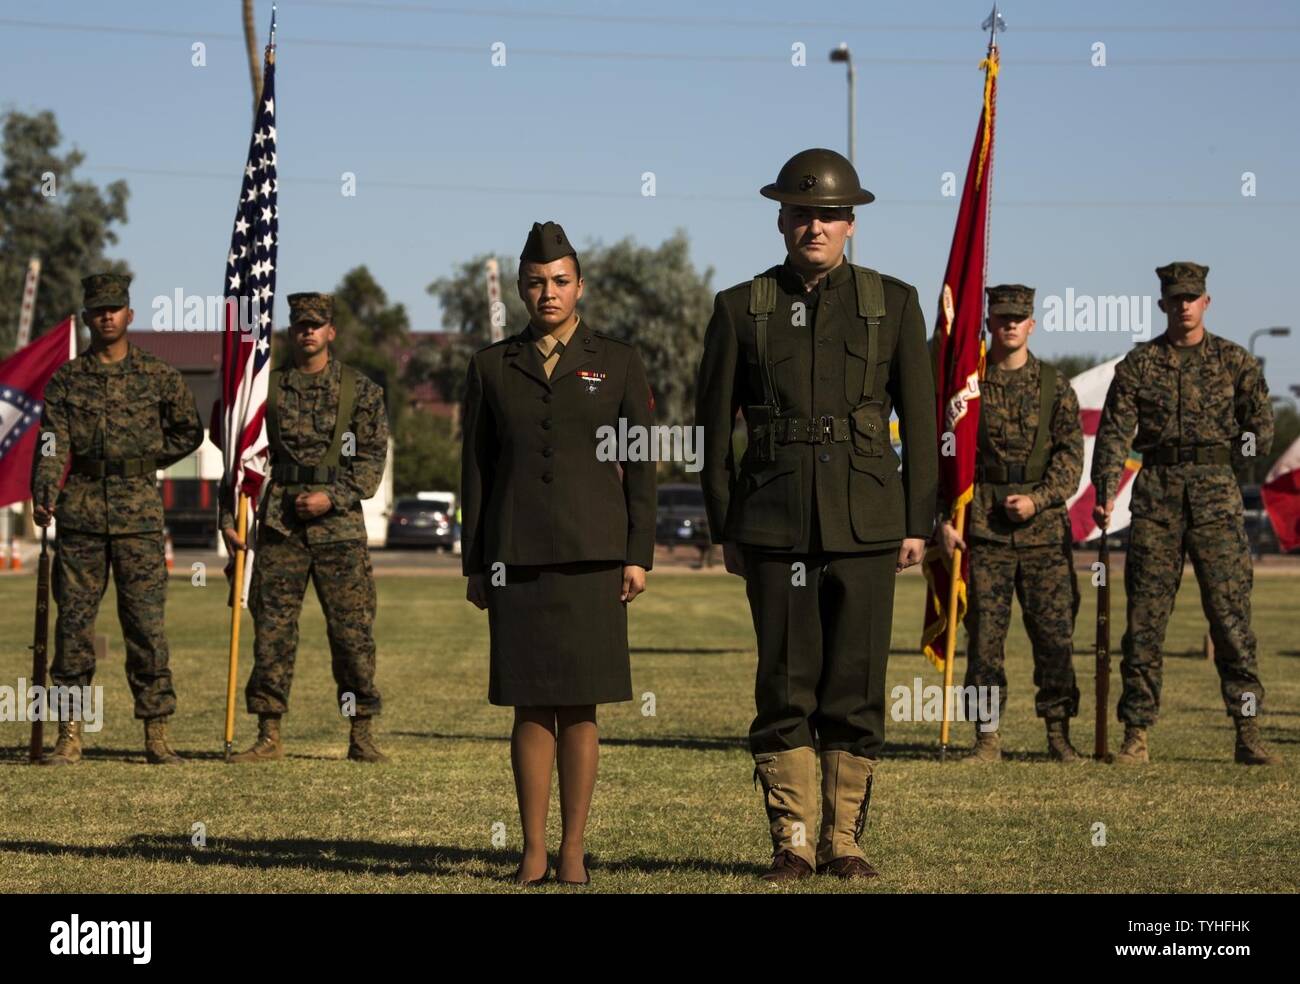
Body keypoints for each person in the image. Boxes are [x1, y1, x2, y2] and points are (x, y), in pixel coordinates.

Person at [695, 149, 938, 881]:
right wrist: (723, 525)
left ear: (851, 224)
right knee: (785, 683)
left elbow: (922, 426)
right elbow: (711, 429)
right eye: (802, 213)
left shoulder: (893, 303)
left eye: (829, 215)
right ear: (780, 220)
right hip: (772, 524)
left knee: (856, 684)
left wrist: (917, 520)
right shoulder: (741, 308)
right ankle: (793, 840)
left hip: (867, 522)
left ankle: (845, 841)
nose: (815, 226)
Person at [460, 221, 656, 886]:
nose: (549, 292)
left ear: (580, 286)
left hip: (593, 555)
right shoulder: (490, 367)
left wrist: (639, 553)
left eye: (561, 281)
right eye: (538, 282)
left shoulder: (621, 361)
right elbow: (477, 470)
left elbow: (642, 465)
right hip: (514, 556)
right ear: (521, 287)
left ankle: (573, 849)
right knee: (527, 702)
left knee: (580, 704)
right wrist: (474, 562)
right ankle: (533, 849)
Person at [1092, 262, 1280, 766]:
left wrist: (1230, 456)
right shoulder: (1140, 365)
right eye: (1175, 298)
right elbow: (1114, 432)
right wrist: (1106, 488)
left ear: (1206, 302)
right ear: (1163, 304)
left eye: (1191, 297)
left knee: (1231, 618)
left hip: (1217, 499)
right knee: (1146, 620)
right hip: (1156, 497)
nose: (1183, 306)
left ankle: (1248, 731)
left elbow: (1260, 426)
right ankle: (1136, 733)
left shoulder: (1234, 361)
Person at [31, 272, 203, 765]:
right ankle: (69, 732)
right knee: (75, 628)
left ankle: (156, 732)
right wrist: (45, 491)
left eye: (114, 308)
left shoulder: (158, 375)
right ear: (87, 318)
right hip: (81, 511)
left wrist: (146, 459)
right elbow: (51, 443)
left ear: (130, 314)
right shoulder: (67, 379)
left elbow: (189, 430)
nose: (106, 316)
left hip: (138, 517)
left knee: (146, 627)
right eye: (97, 310)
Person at [221, 292, 391, 764]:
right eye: (300, 325)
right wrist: (226, 516)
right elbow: (241, 460)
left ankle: (361, 733)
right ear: (290, 331)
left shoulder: (361, 391)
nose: (308, 332)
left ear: (331, 331)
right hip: (281, 526)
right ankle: (269, 733)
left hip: (340, 531)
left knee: (352, 634)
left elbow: (372, 462)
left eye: (316, 324)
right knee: (273, 633)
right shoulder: (265, 392)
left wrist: (331, 497)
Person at [938, 284, 1084, 763]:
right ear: (988, 322)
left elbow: (1070, 458)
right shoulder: (969, 384)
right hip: (984, 530)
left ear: (1032, 324)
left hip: (1043, 535)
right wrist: (944, 515)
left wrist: (1039, 500)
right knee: (984, 642)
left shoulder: (1055, 386)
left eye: (1018, 317)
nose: (1010, 325)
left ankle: (1059, 735)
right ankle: (986, 737)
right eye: (1001, 317)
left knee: (1055, 638)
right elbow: (949, 453)